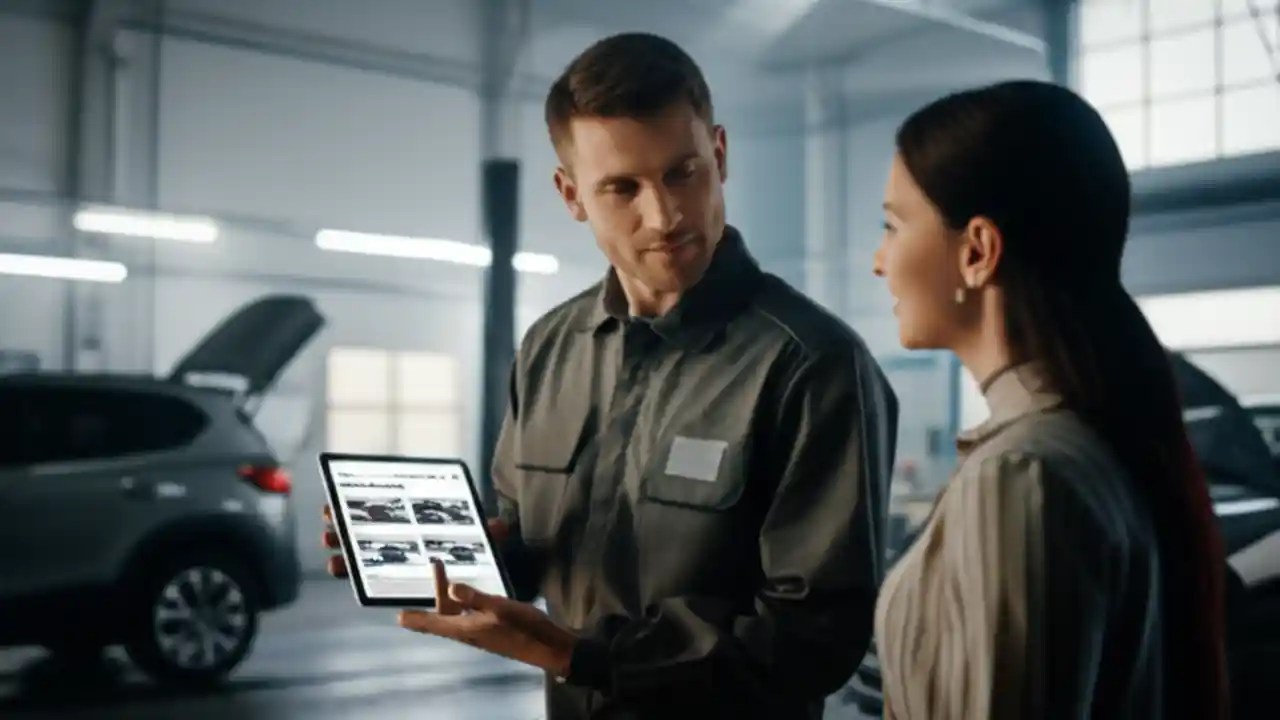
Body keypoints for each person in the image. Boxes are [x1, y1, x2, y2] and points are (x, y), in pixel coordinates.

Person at [323, 32, 899, 719]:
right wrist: (442, 559)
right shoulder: (549, 349)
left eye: (683, 172)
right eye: (622, 187)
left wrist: (586, 659)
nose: (665, 215)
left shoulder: (813, 365)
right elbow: (533, 550)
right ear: (572, 195)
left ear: (719, 154)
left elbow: (816, 639)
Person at [870, 80, 1229, 719]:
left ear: (977, 251)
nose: (879, 261)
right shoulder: (1077, 447)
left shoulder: (1022, 476)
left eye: (893, 226)